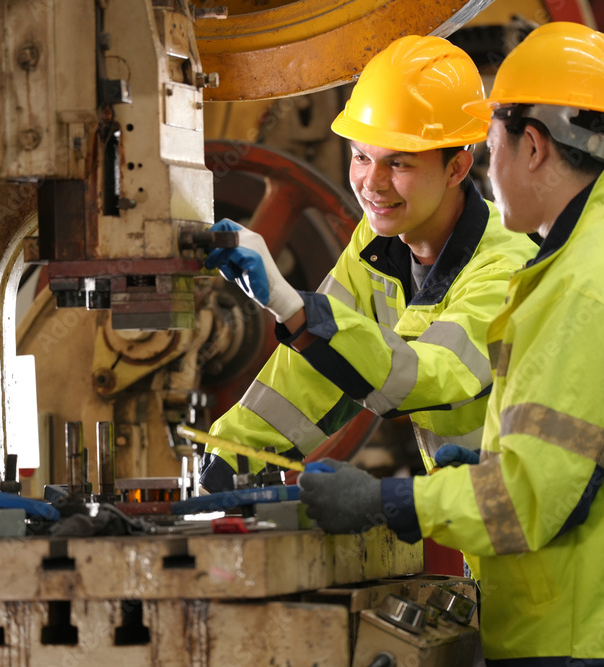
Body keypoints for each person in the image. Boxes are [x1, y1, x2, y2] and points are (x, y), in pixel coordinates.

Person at [299, 22, 604, 665]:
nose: (485, 170)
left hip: (581, 636)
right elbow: (580, 456)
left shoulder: (583, 287)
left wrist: (385, 501)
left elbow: (529, 497)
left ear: (533, 146)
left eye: (488, 149)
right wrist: (470, 469)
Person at [199, 35, 537, 492]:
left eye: (398, 163)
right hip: (487, 520)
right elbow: (315, 373)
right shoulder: (378, 240)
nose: (372, 185)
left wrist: (288, 303)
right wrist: (233, 452)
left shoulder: (506, 267)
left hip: (545, 534)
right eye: (361, 156)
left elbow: (426, 377)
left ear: (457, 168)